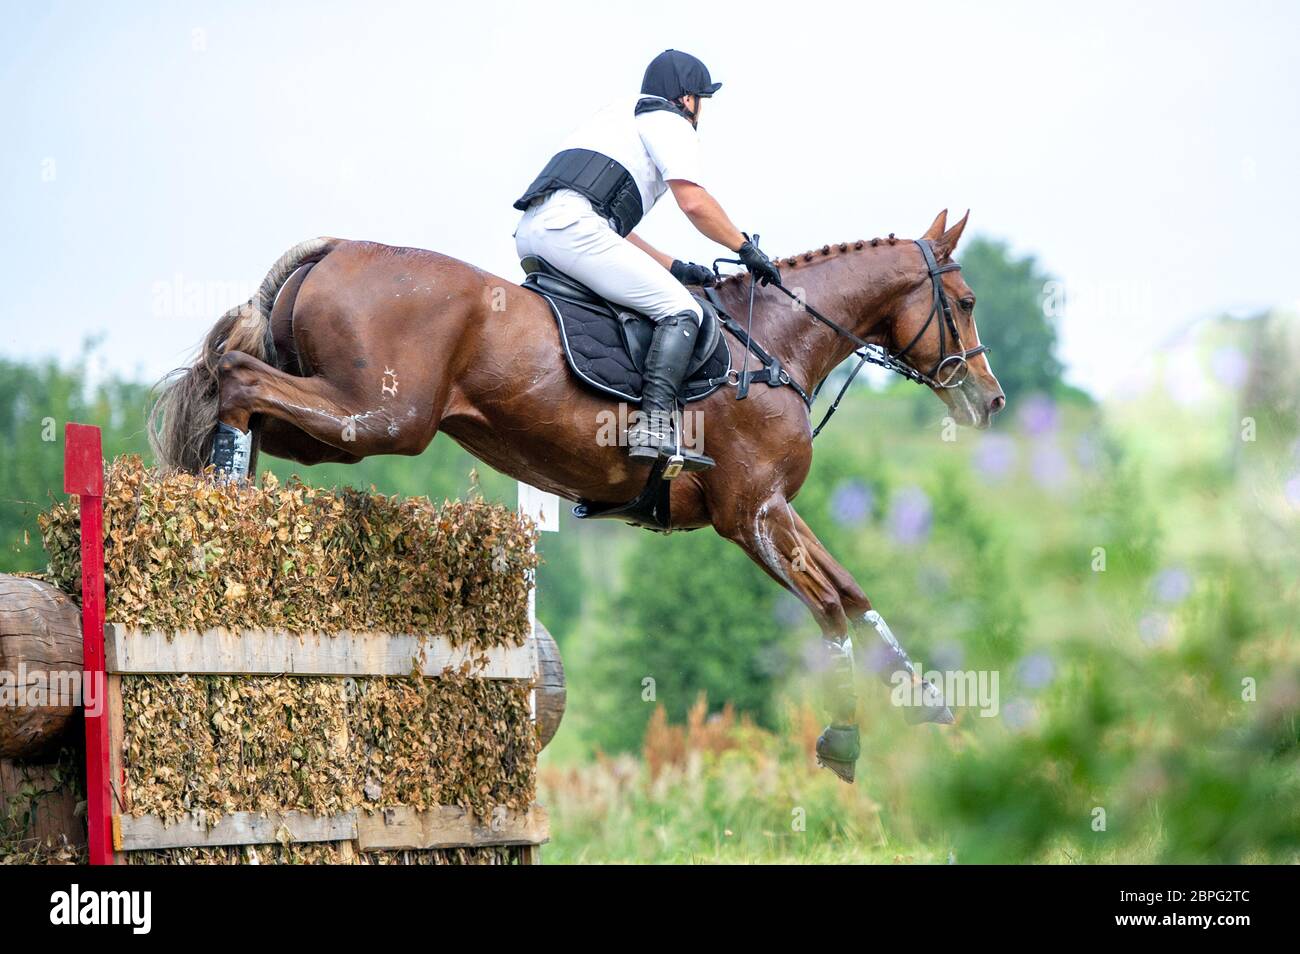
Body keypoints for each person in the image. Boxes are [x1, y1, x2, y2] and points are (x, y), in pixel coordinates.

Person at [513, 49, 781, 472]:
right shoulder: (671, 122)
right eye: (702, 102)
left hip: (535, 232)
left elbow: (612, 230)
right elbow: (693, 202)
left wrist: (672, 266)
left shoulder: (616, 116)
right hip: (571, 229)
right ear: (689, 100)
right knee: (682, 310)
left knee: (655, 295)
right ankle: (654, 425)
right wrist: (744, 248)